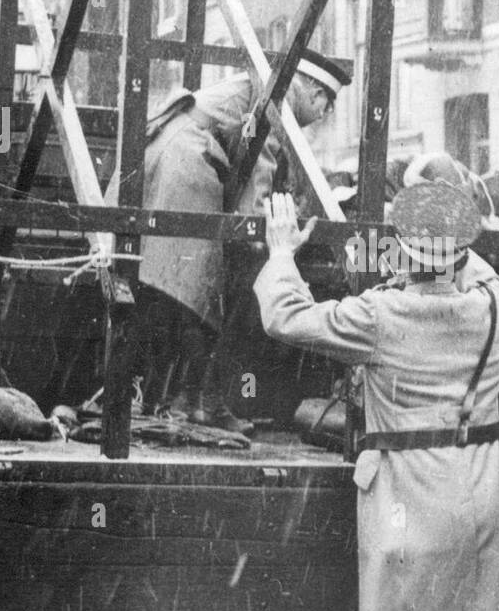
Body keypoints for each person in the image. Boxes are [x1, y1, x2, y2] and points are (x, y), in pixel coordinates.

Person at [255, 184, 499, 611]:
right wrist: (455, 236)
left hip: (410, 496)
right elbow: (477, 269)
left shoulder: (380, 314)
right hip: (488, 493)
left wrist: (280, 252)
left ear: (407, 250)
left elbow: (286, 318)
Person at [120, 49, 350, 433]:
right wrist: (271, 244)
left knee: (186, 292)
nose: (324, 114)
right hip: (186, 166)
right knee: (203, 292)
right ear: (313, 92)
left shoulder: (266, 88)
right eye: (327, 103)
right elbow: (259, 178)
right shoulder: (279, 103)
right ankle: (200, 404)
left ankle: (189, 401)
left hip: (170, 157)